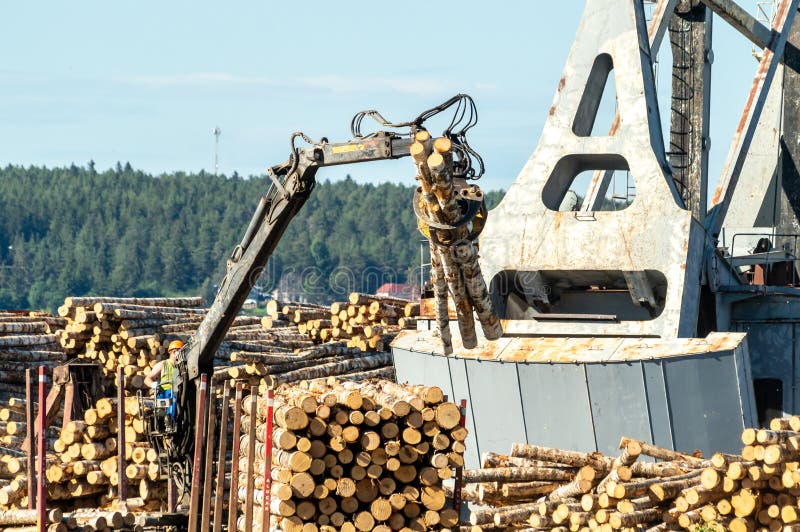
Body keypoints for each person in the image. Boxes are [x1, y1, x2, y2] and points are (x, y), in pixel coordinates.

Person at [144, 339, 183, 424]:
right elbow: (147, 379)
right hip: (165, 393)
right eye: (179, 352)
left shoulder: (182, 367)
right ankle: (169, 420)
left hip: (179, 393)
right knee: (172, 398)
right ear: (173, 352)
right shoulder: (163, 364)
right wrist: (153, 384)